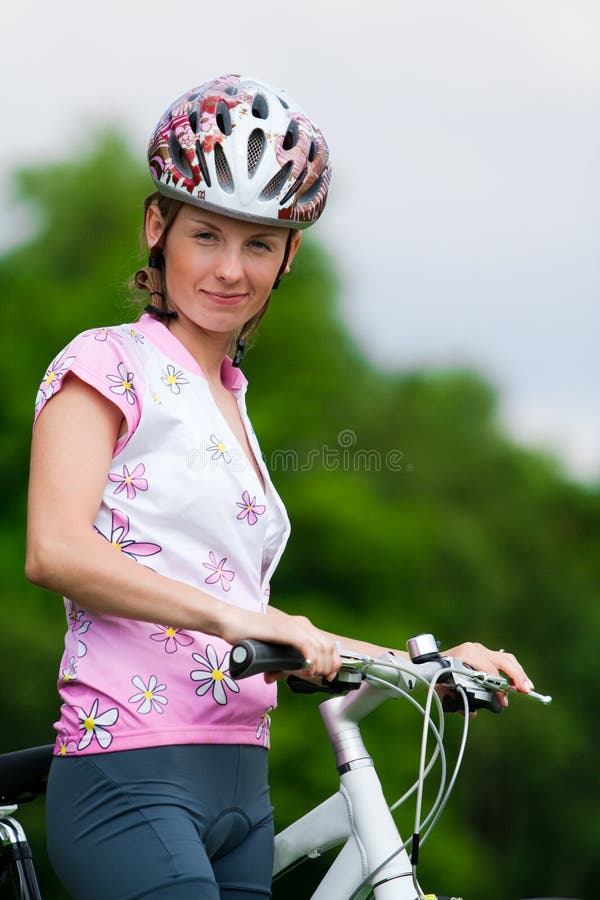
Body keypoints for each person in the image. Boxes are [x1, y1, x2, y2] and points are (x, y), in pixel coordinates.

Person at [25, 73, 533, 900]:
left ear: (288, 254)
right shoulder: (104, 362)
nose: (229, 269)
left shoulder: (232, 399)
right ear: (159, 228)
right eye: (206, 236)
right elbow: (55, 549)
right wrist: (247, 618)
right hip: (132, 771)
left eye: (258, 244)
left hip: (242, 785)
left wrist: (424, 664)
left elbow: (257, 616)